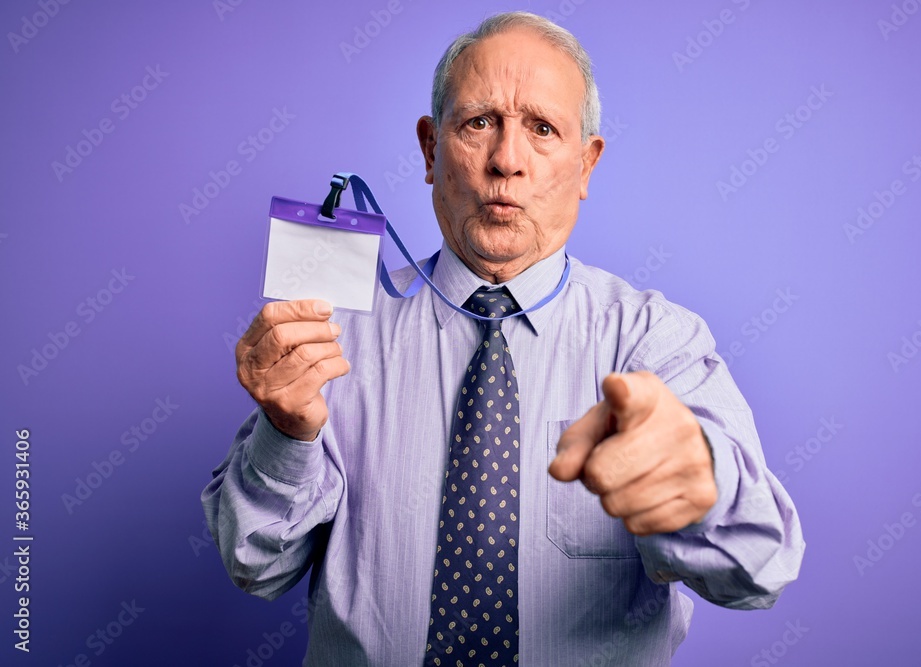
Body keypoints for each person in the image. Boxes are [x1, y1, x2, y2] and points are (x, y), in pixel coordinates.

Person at [202, 11, 804, 666]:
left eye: (542, 129)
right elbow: (254, 565)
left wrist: (701, 479)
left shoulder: (656, 342)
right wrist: (287, 431)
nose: (506, 161)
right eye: (478, 122)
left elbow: (759, 570)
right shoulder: (336, 330)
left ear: (586, 165)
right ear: (431, 150)